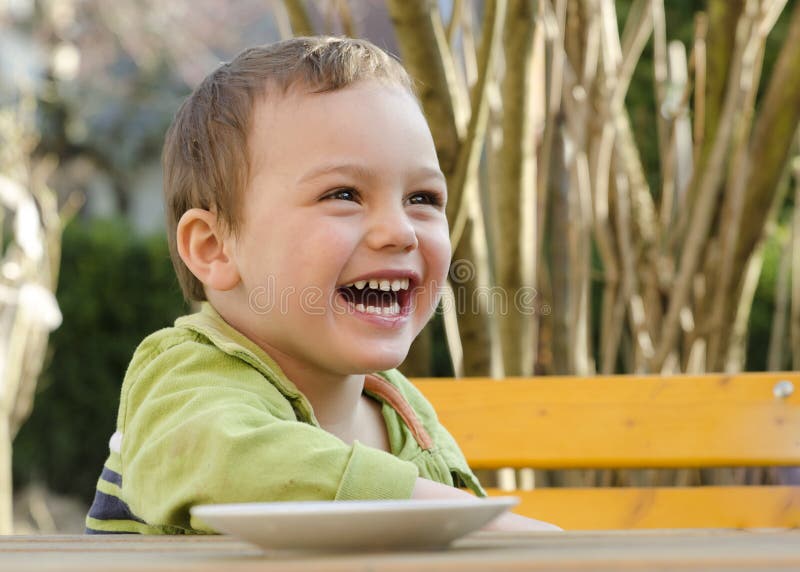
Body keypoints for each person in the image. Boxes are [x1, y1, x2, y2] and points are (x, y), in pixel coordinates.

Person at [85, 36, 559, 534]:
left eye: (422, 197)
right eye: (344, 194)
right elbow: (227, 462)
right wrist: (457, 517)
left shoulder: (400, 411)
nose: (399, 231)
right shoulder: (186, 377)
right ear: (215, 248)